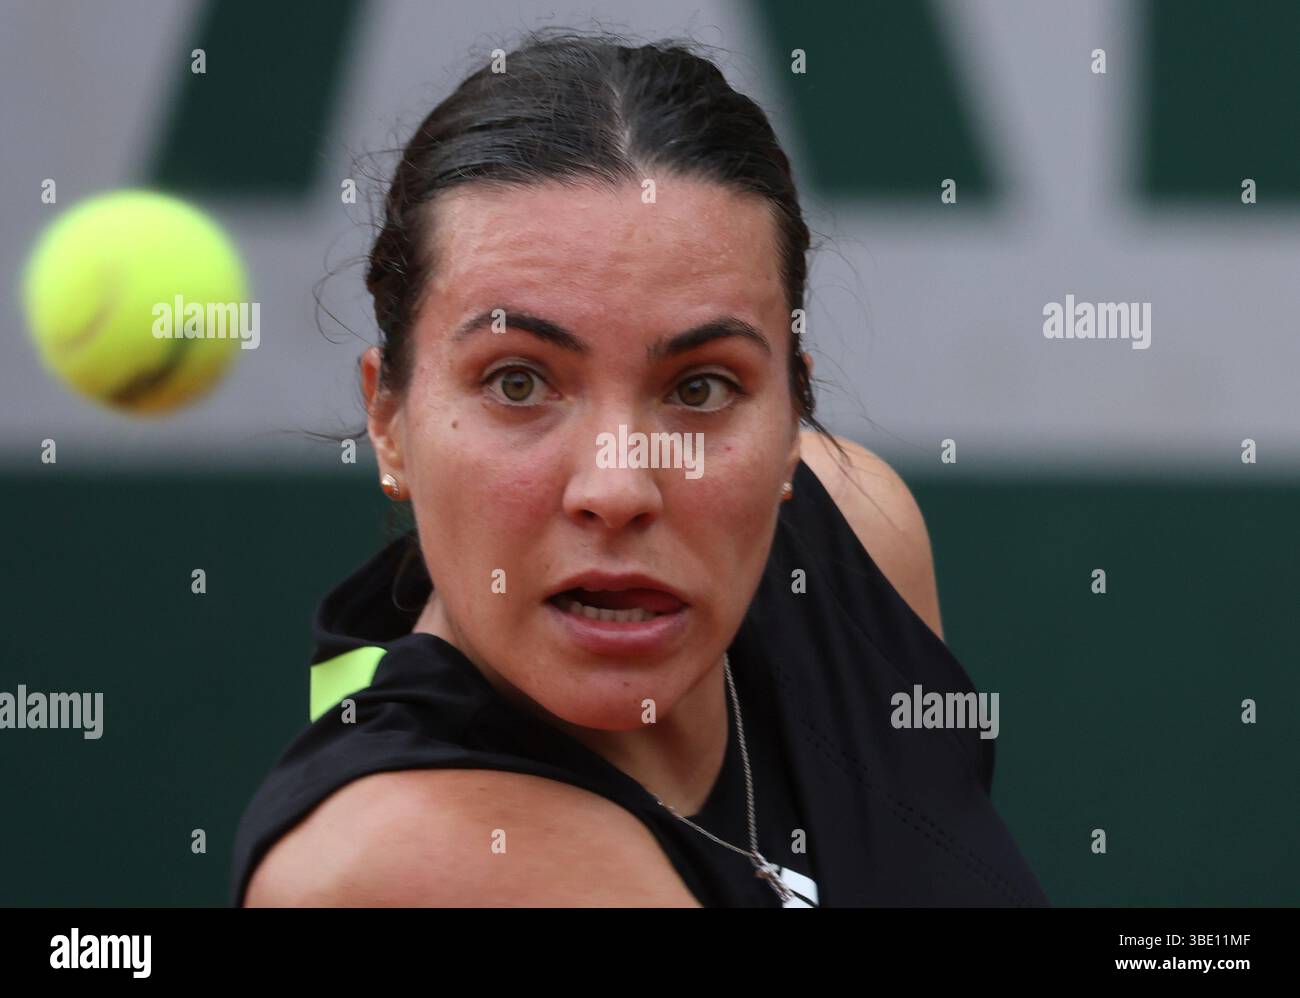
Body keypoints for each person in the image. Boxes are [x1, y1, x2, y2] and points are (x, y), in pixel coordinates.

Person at [230, 29, 1048, 907]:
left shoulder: (860, 536)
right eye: (518, 382)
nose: (617, 490)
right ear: (388, 418)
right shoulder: (398, 866)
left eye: (699, 387)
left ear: (788, 420)